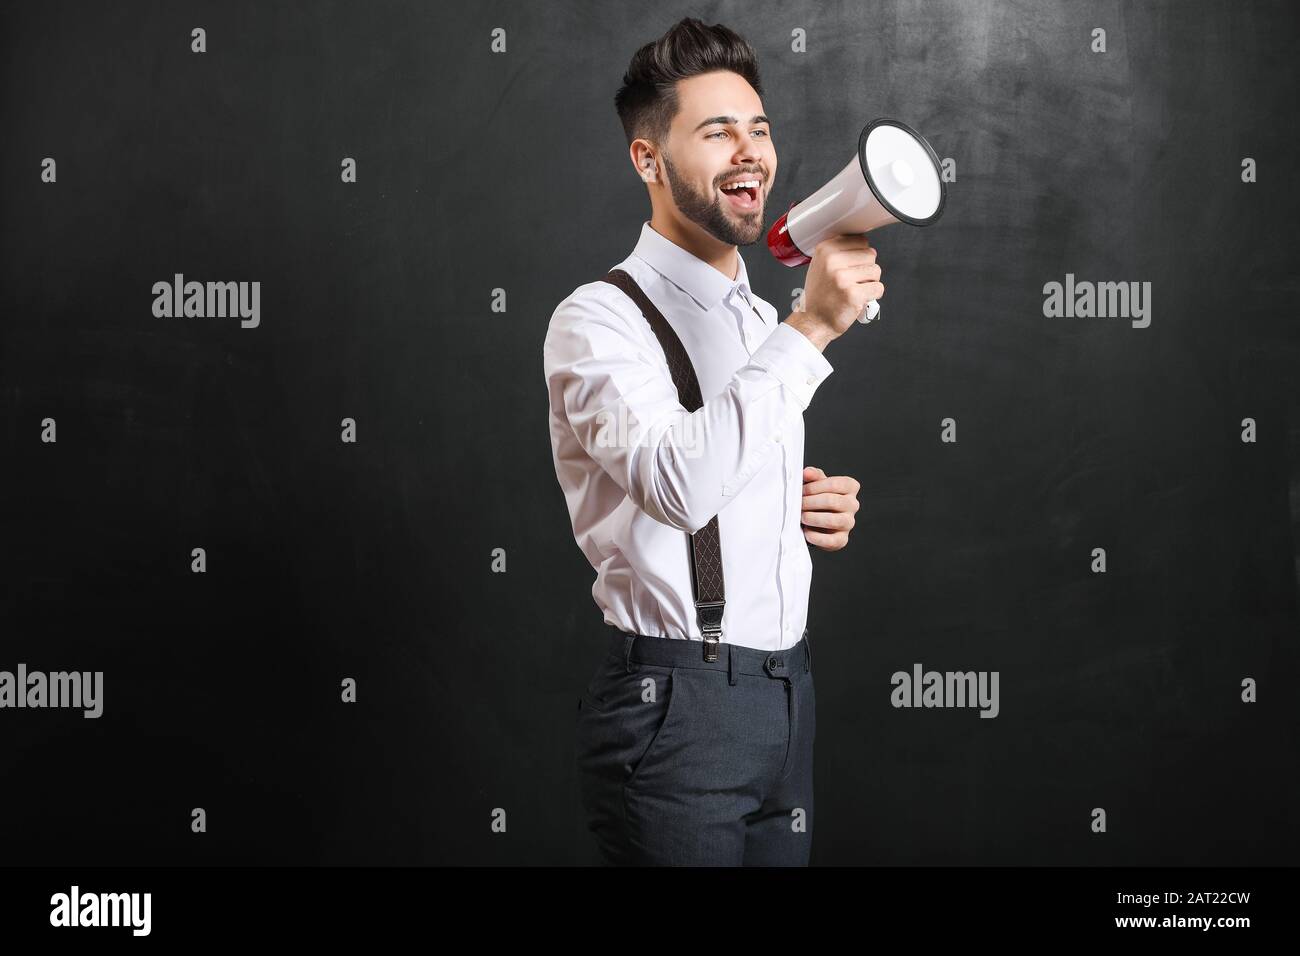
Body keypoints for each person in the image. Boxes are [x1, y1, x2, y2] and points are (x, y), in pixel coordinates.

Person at [542, 17, 882, 866]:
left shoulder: (763, 322)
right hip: (675, 710)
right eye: (716, 130)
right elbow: (677, 483)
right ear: (648, 159)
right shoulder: (598, 319)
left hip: (786, 698)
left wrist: (802, 508)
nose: (749, 150)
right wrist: (811, 330)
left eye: (758, 128)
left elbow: (723, 481)